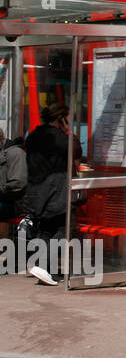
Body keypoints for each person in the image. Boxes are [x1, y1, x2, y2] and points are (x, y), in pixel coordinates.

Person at [24, 104, 80, 285]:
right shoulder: (60, 138)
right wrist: (69, 133)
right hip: (55, 191)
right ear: (60, 118)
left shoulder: (33, 136)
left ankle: (42, 270)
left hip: (36, 192)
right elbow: (76, 151)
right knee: (63, 229)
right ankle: (42, 266)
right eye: (67, 118)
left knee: (45, 230)